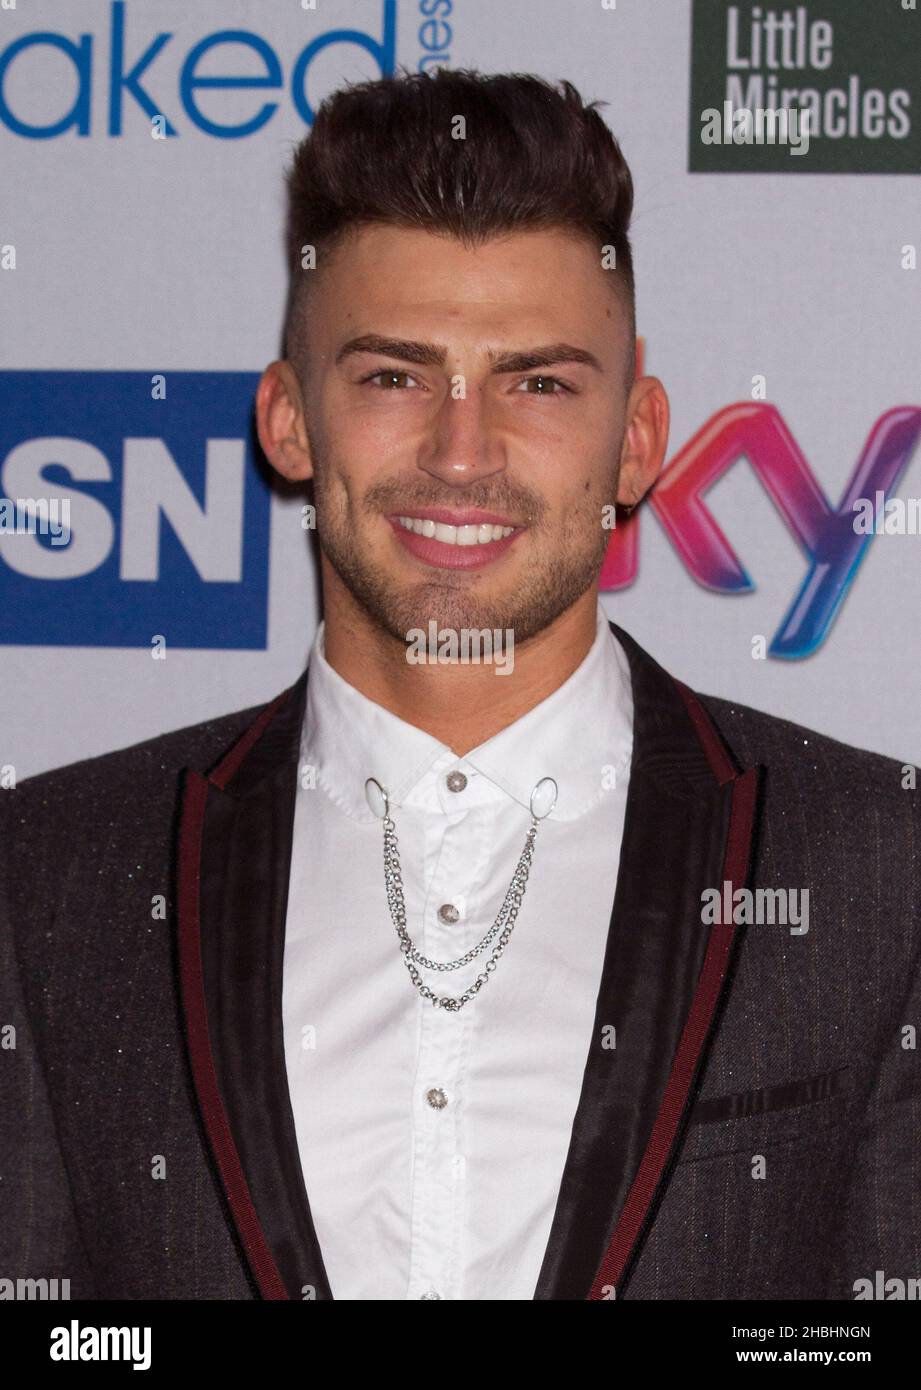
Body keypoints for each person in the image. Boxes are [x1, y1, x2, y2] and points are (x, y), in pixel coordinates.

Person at [2, 69, 918, 1303]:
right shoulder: (56, 873)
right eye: (392, 376)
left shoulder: (875, 863)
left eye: (537, 382)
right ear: (287, 419)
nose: (460, 451)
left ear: (638, 438)